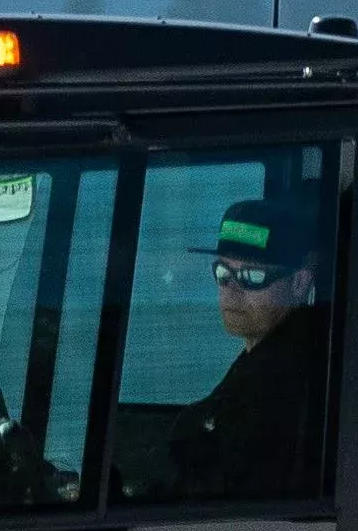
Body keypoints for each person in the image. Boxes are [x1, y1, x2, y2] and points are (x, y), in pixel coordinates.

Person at [143, 191, 333, 501]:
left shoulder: (289, 377)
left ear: (299, 283)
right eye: (223, 273)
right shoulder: (271, 355)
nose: (230, 290)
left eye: (252, 276)